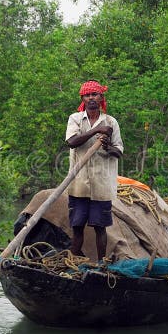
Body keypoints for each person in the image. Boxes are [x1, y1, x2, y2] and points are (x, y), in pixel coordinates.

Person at [65, 80, 123, 261]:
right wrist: (96, 131)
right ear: (83, 98)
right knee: (77, 226)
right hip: (78, 183)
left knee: (100, 227)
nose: (91, 98)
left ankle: (101, 263)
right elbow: (72, 142)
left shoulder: (111, 122)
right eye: (87, 95)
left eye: (94, 95)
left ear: (101, 98)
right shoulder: (75, 118)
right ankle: (73, 262)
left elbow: (118, 151)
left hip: (102, 185)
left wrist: (107, 147)